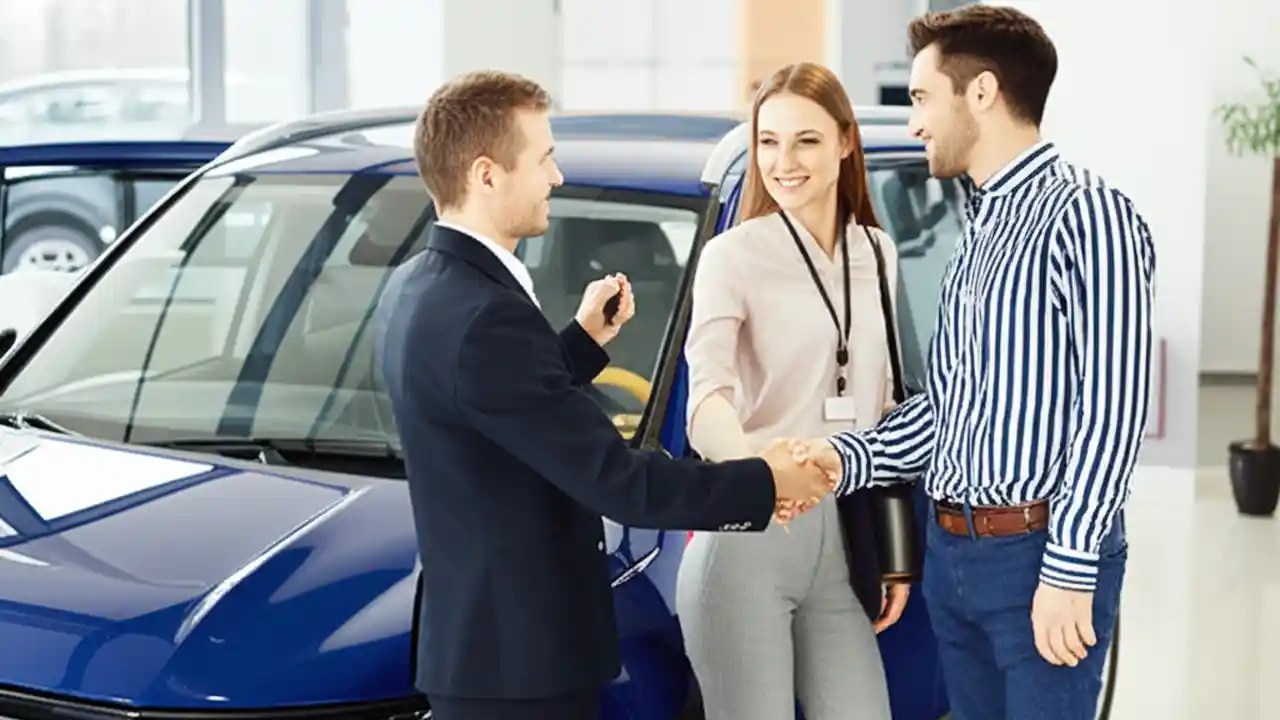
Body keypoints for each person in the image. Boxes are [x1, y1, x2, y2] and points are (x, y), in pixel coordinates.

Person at [377, 70, 835, 720]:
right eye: (544, 159)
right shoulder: (488, 317)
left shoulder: (419, 284)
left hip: (481, 648)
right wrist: (767, 481)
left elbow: (492, 412)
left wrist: (580, 346)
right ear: (486, 175)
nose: (555, 178)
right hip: (522, 666)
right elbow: (620, 482)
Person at [799, 6, 1156, 719]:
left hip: (1036, 555)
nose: (914, 123)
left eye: (922, 98)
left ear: (983, 93)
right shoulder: (980, 227)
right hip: (952, 550)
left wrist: (1072, 561)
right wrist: (841, 459)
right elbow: (953, 404)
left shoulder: (1087, 216)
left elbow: (1113, 409)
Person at [675, 62, 905, 720]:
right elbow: (705, 402)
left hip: (842, 531)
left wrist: (894, 547)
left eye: (805, 140)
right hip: (749, 533)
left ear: (844, 141)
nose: (784, 161)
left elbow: (884, 405)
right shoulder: (733, 256)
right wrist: (761, 472)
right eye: (768, 142)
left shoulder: (878, 253)